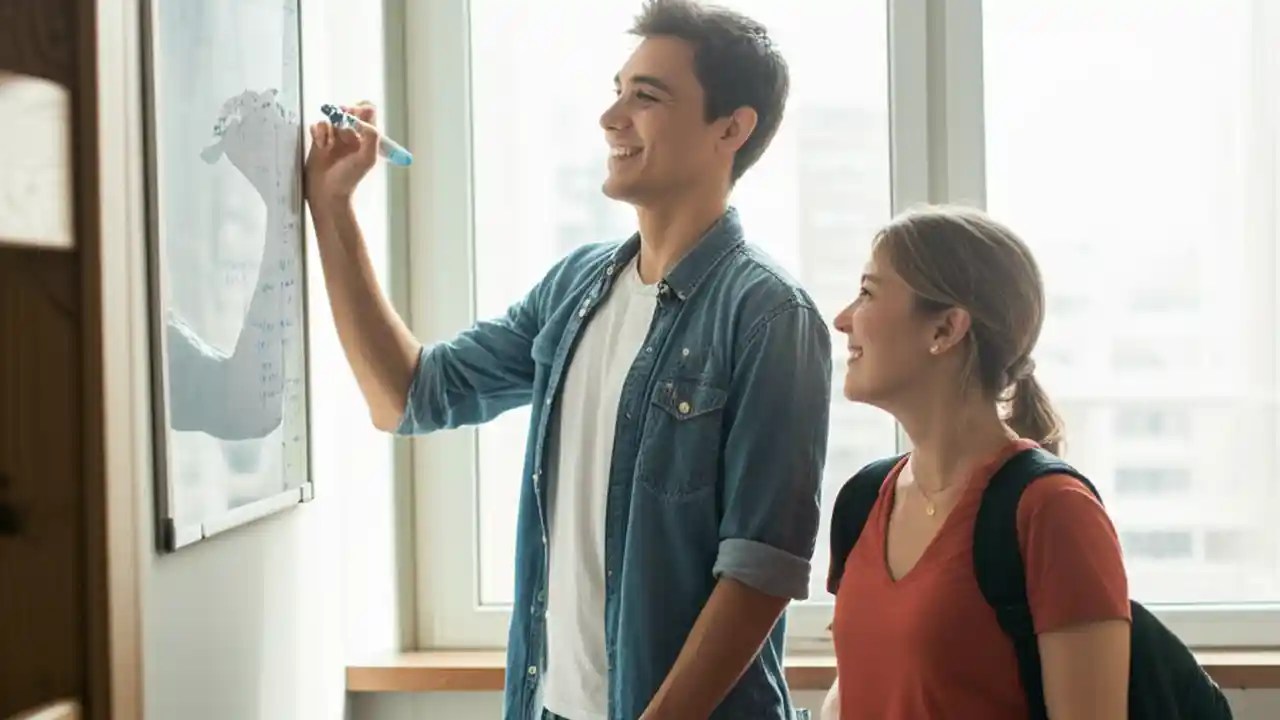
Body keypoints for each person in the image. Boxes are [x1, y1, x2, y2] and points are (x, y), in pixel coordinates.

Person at [303, 2, 831, 718]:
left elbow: (760, 571)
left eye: (646, 96)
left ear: (730, 129)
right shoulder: (576, 287)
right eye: (617, 90)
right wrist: (333, 207)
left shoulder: (770, 314)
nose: (612, 116)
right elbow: (407, 396)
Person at [821, 207, 1131, 719]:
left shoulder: (1055, 512)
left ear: (945, 328)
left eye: (869, 293)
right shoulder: (863, 500)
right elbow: (860, 688)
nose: (843, 318)